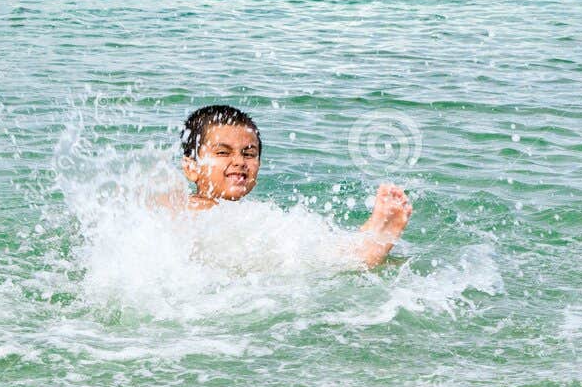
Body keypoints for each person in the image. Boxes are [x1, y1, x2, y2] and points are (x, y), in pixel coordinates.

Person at [172, 104, 412, 267]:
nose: (239, 162)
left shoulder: (244, 216)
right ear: (191, 167)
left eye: (249, 153)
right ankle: (364, 248)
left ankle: (364, 247)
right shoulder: (194, 209)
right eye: (223, 152)